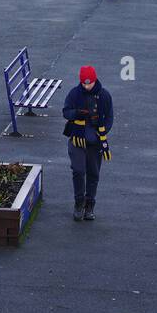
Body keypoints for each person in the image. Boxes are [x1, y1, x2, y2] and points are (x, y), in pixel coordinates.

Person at [62, 65, 113, 221]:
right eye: (84, 83)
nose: (87, 86)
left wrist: (101, 133)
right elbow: (66, 112)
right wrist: (77, 113)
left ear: (95, 79)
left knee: (93, 174)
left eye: (89, 83)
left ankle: (89, 206)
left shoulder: (104, 95)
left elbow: (109, 118)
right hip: (77, 140)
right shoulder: (74, 94)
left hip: (95, 142)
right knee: (78, 171)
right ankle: (79, 203)